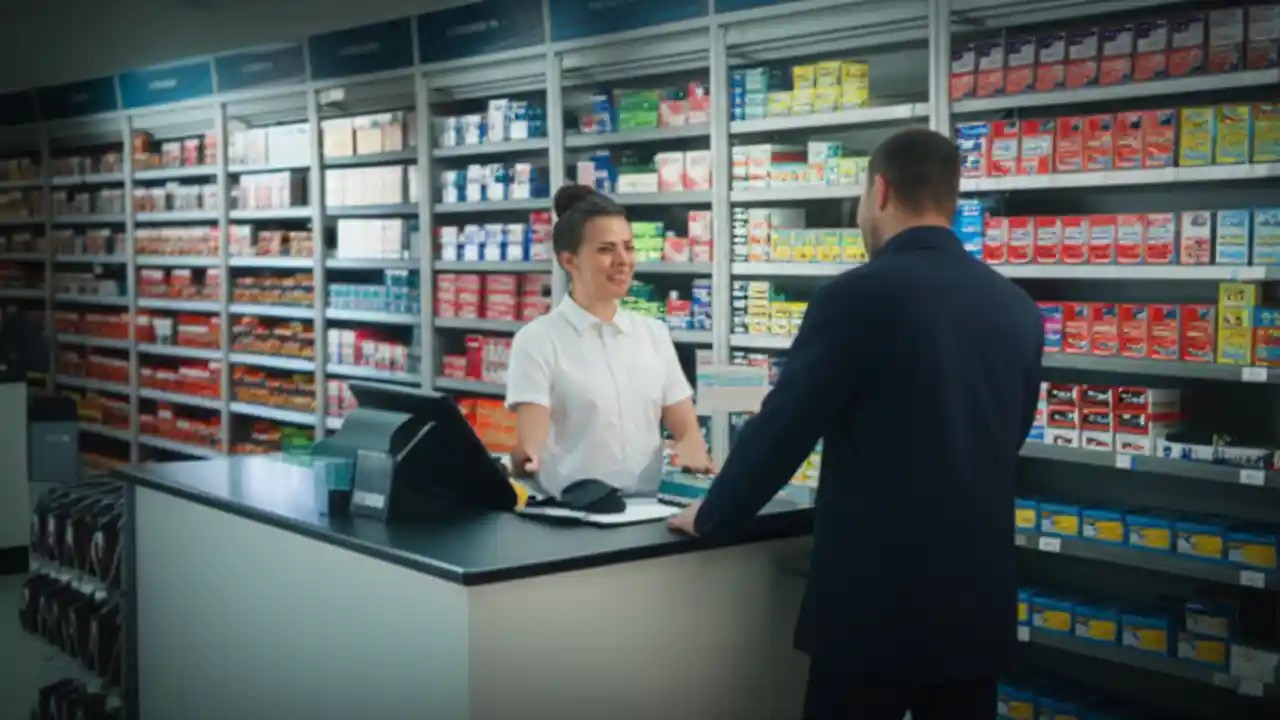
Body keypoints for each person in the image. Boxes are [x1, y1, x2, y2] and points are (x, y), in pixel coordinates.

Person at [669, 127, 1043, 719]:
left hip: (874, 607)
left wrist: (714, 514)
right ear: (951, 197)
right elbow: (1009, 433)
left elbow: (783, 429)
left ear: (881, 191)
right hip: (974, 605)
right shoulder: (1017, 308)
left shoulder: (854, 297)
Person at [505, 184, 713, 498]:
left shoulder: (652, 334)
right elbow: (530, 443)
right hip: (572, 515)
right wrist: (524, 459)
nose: (623, 260)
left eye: (628, 247)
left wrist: (693, 449)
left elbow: (685, 427)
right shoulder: (537, 340)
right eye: (605, 249)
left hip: (647, 511)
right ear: (569, 260)